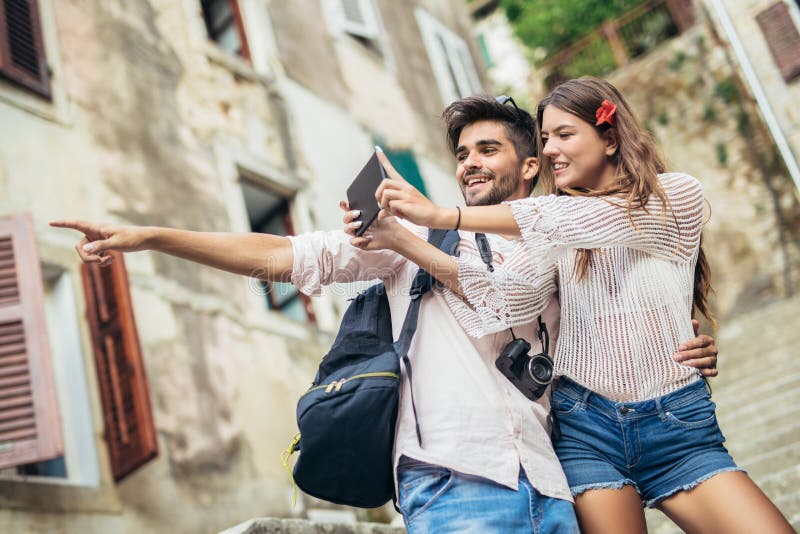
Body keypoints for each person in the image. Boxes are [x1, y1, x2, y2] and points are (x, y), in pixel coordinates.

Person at [50, 94, 719, 533]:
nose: (470, 164)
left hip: (552, 484)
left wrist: (693, 344)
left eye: (488, 150)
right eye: (461, 155)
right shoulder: (410, 242)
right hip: (454, 480)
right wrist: (149, 237)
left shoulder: (563, 254)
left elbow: (623, 320)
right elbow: (280, 256)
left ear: (531, 164)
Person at [360, 79, 792, 533]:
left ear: (609, 136)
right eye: (545, 139)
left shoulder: (676, 195)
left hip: (679, 426)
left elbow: (581, 219)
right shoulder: (549, 235)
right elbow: (503, 297)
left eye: (564, 135)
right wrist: (403, 242)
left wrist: (442, 215)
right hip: (588, 428)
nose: (549, 150)